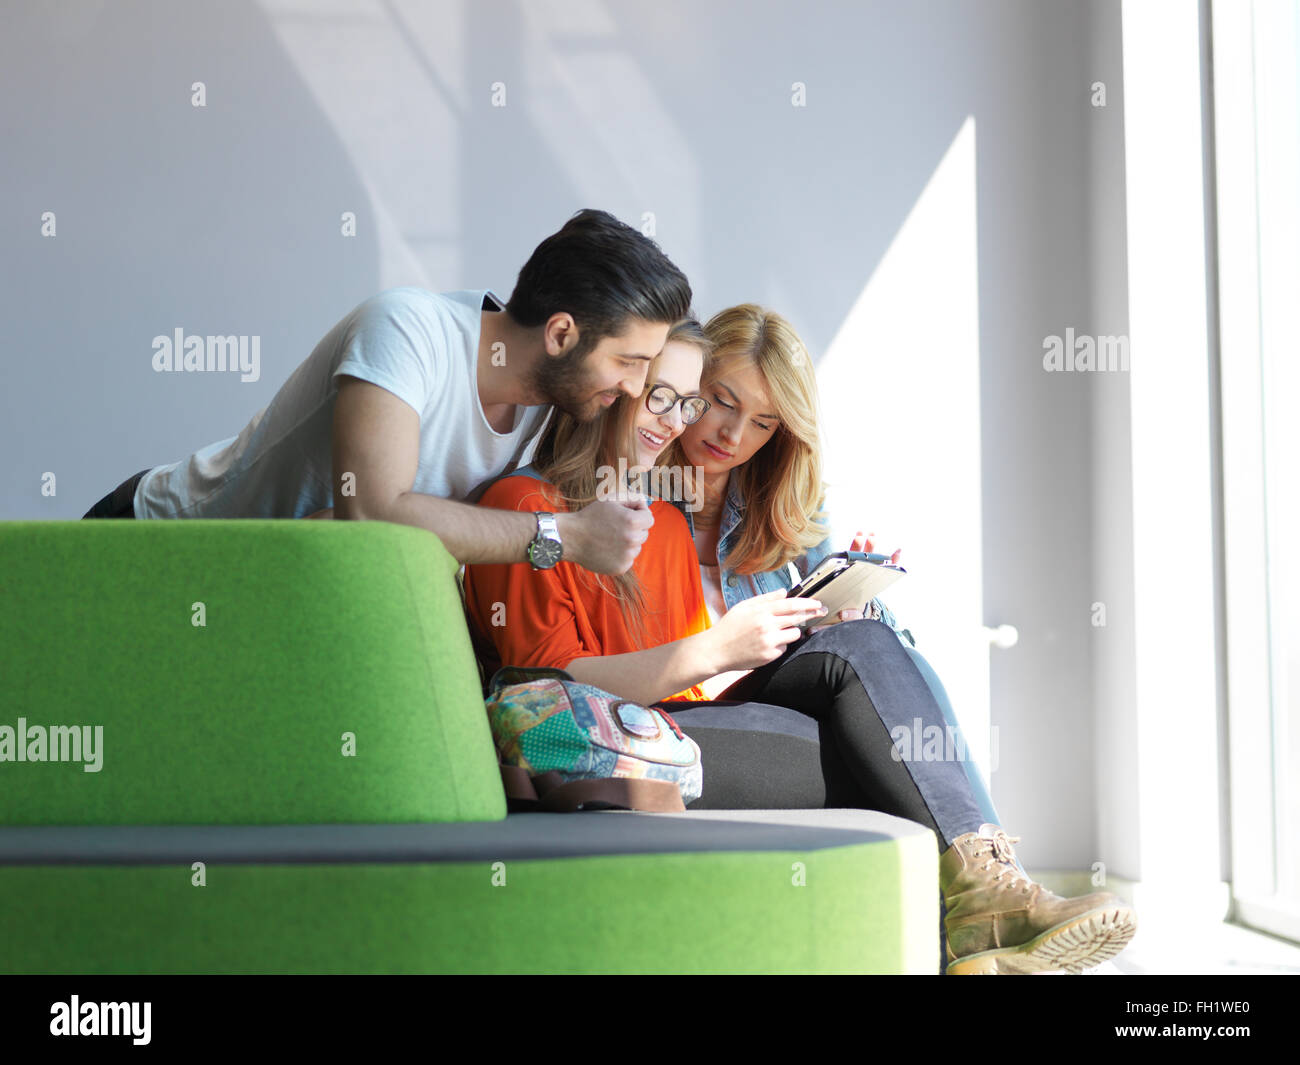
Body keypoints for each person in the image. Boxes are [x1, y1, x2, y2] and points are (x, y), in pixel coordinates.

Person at [462, 305, 1137, 976]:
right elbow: (545, 707)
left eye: (682, 401)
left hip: (675, 732)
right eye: (665, 397)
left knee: (867, 650)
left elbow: (684, 688)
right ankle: (980, 917)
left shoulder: (659, 524)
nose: (674, 419)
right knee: (872, 738)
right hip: (598, 756)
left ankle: (985, 907)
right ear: (611, 390)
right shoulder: (525, 511)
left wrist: (770, 639)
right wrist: (719, 648)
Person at [81, 209, 690, 578]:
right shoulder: (407, 328)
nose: (635, 387)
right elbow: (374, 514)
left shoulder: (561, 401)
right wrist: (569, 537)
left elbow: (364, 527)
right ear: (561, 334)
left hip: (274, 579)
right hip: (153, 548)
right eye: (629, 362)